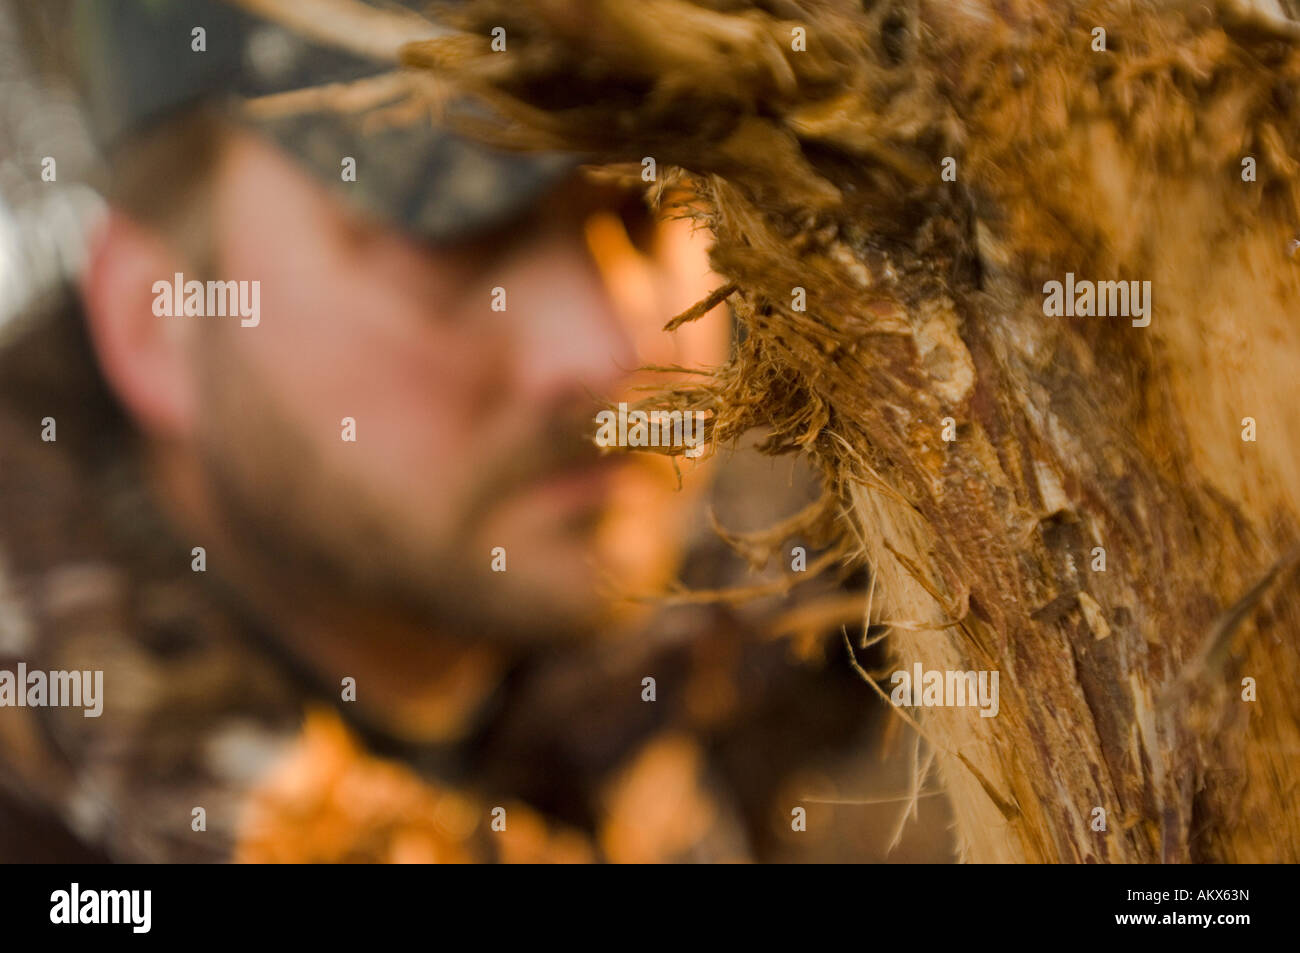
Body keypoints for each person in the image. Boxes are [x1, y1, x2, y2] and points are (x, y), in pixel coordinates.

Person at [0, 0, 897, 863]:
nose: (608, 350)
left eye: (646, 208)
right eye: (459, 240)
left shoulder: (798, 665)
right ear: (154, 320)